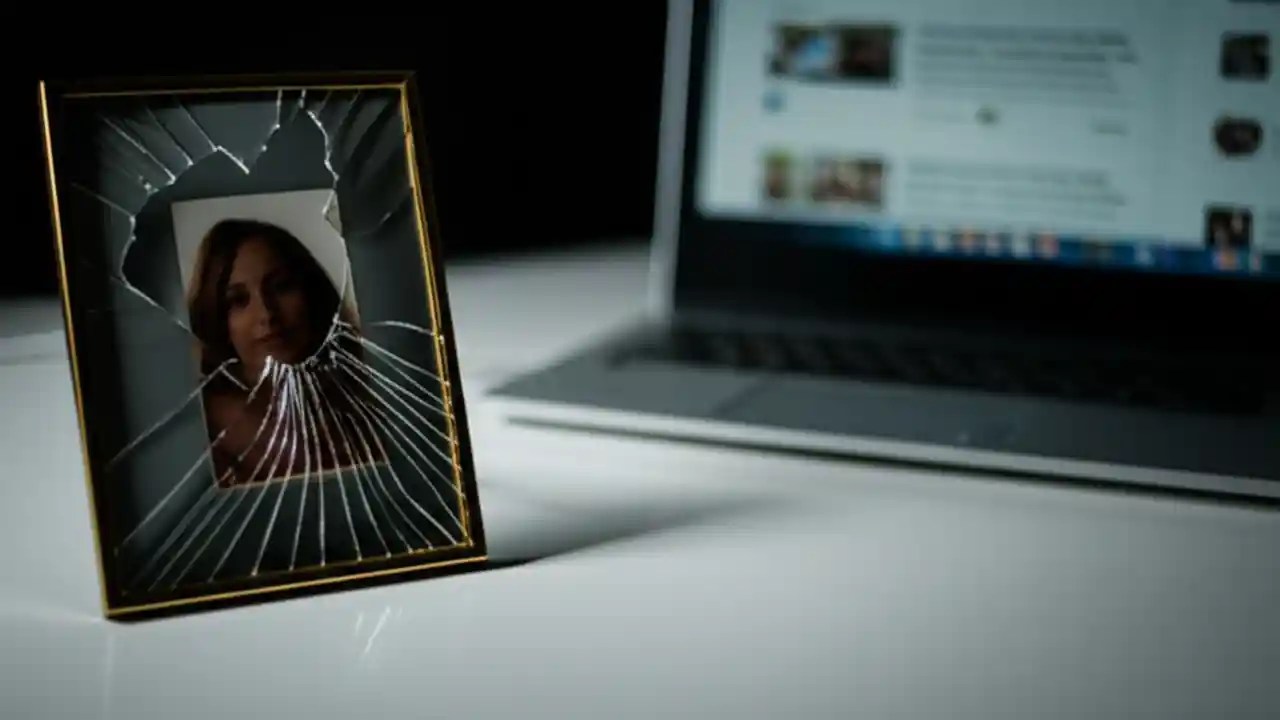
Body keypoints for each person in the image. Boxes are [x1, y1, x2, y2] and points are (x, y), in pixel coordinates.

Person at [187, 218, 365, 486]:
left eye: (281, 286)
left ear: (312, 292)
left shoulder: (370, 394)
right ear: (215, 318)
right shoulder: (196, 435)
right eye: (238, 300)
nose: (266, 314)